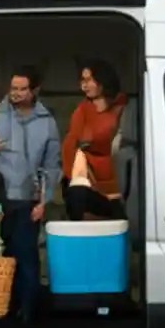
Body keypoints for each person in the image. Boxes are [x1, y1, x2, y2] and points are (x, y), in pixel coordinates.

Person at [0, 65, 60, 321]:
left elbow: (52, 166)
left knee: (26, 258)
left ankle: (28, 317)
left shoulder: (47, 122)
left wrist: (44, 201)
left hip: (28, 201)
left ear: (35, 91)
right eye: (13, 88)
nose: (17, 94)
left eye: (23, 89)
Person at [61, 59, 128, 221]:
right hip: (88, 181)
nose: (85, 85)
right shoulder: (82, 110)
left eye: (89, 80)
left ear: (103, 80)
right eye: (82, 80)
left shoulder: (123, 107)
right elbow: (72, 143)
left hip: (120, 183)